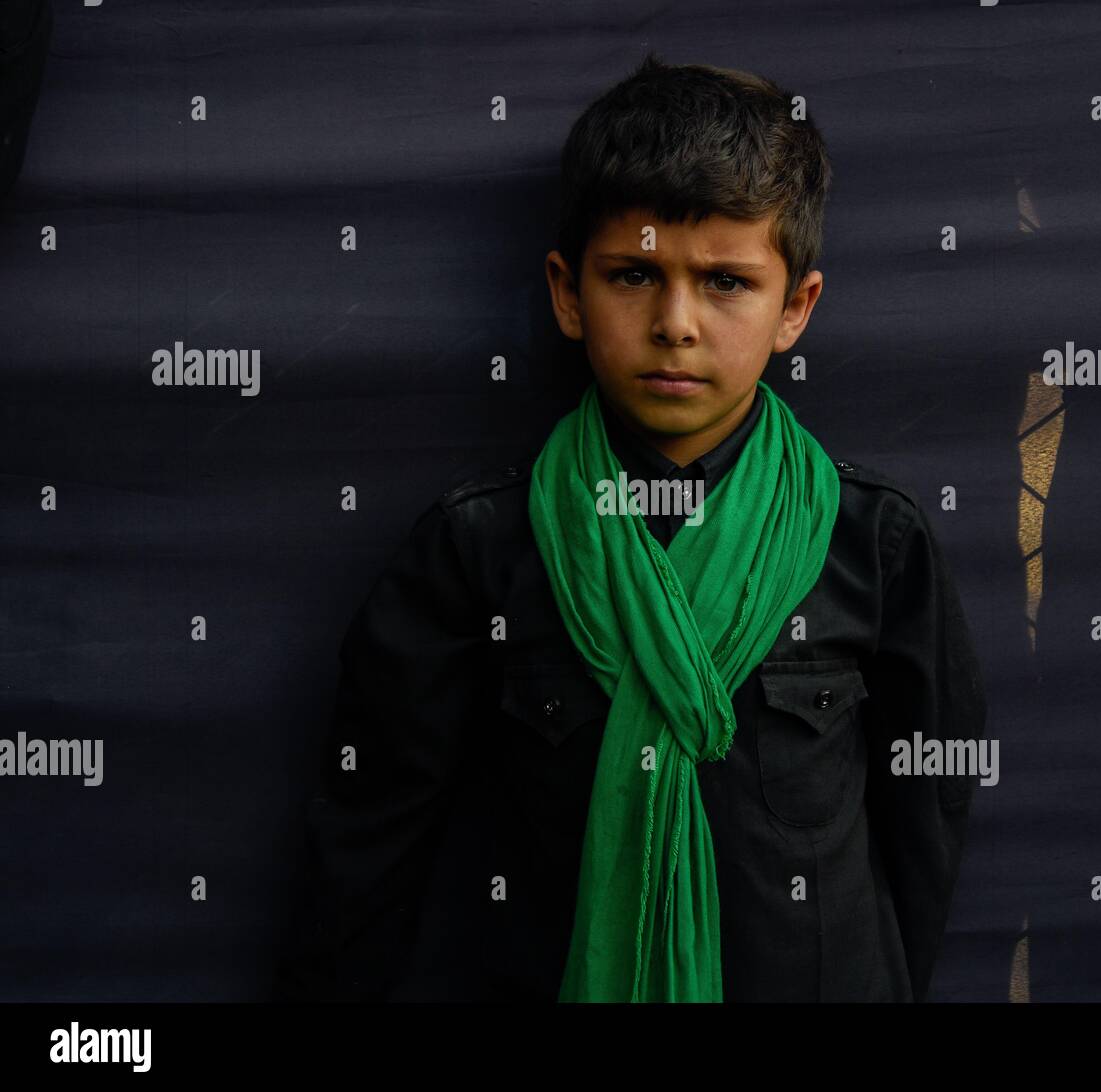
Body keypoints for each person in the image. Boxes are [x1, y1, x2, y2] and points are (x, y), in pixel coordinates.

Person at [274, 53, 987, 1003]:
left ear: (795, 308)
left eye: (727, 282)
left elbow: (923, 831)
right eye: (635, 275)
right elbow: (372, 851)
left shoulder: (873, 544)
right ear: (569, 293)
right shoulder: (482, 547)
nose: (677, 323)